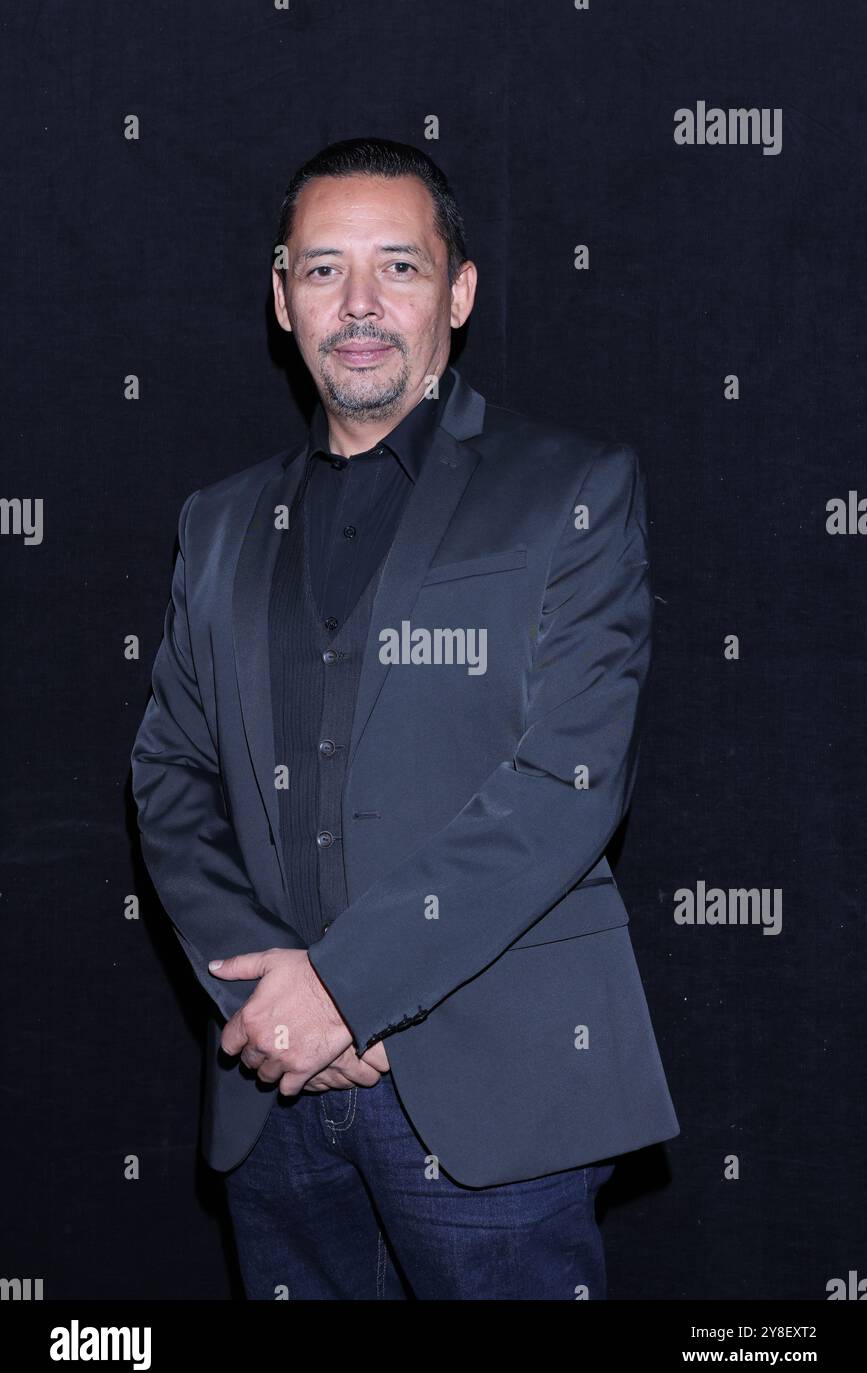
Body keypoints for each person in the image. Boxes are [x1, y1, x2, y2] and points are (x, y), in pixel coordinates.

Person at [130, 135, 679, 1301]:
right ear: (283, 301)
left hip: (498, 1101)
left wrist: (344, 989)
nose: (361, 305)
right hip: (274, 1101)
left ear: (460, 291)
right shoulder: (219, 522)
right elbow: (173, 769)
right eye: (324, 270)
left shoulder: (572, 488)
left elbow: (566, 782)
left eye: (401, 266)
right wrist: (267, 996)